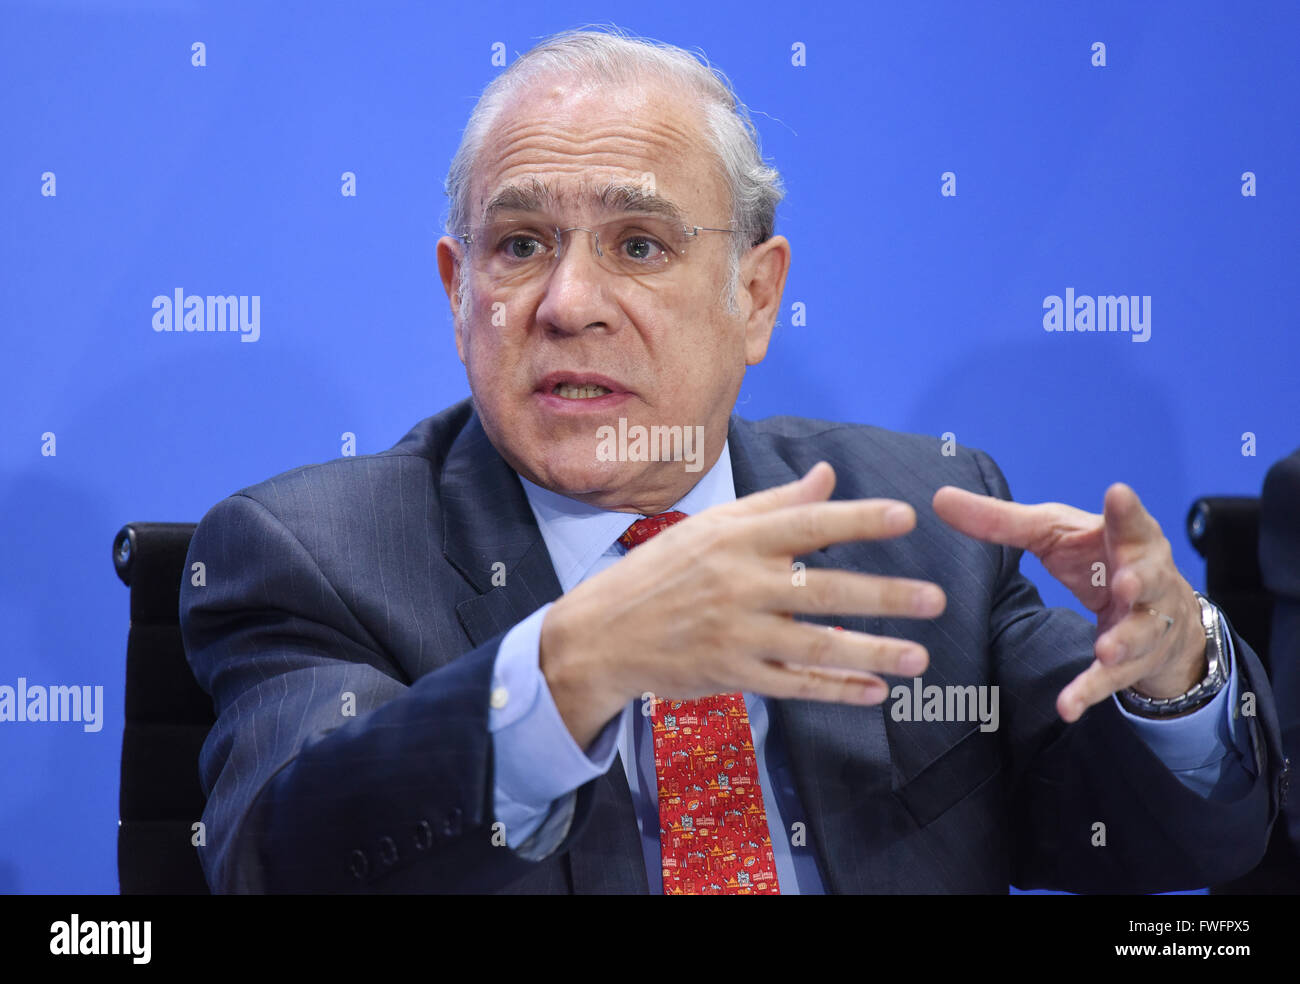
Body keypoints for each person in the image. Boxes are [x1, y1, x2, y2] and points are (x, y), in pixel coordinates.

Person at [179, 26, 1286, 894]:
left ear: (754, 296)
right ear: (457, 290)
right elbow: (283, 859)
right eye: (518, 245)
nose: (567, 304)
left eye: (639, 245)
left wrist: (1172, 674)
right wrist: (574, 665)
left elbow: (1171, 842)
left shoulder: (915, 521)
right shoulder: (320, 555)